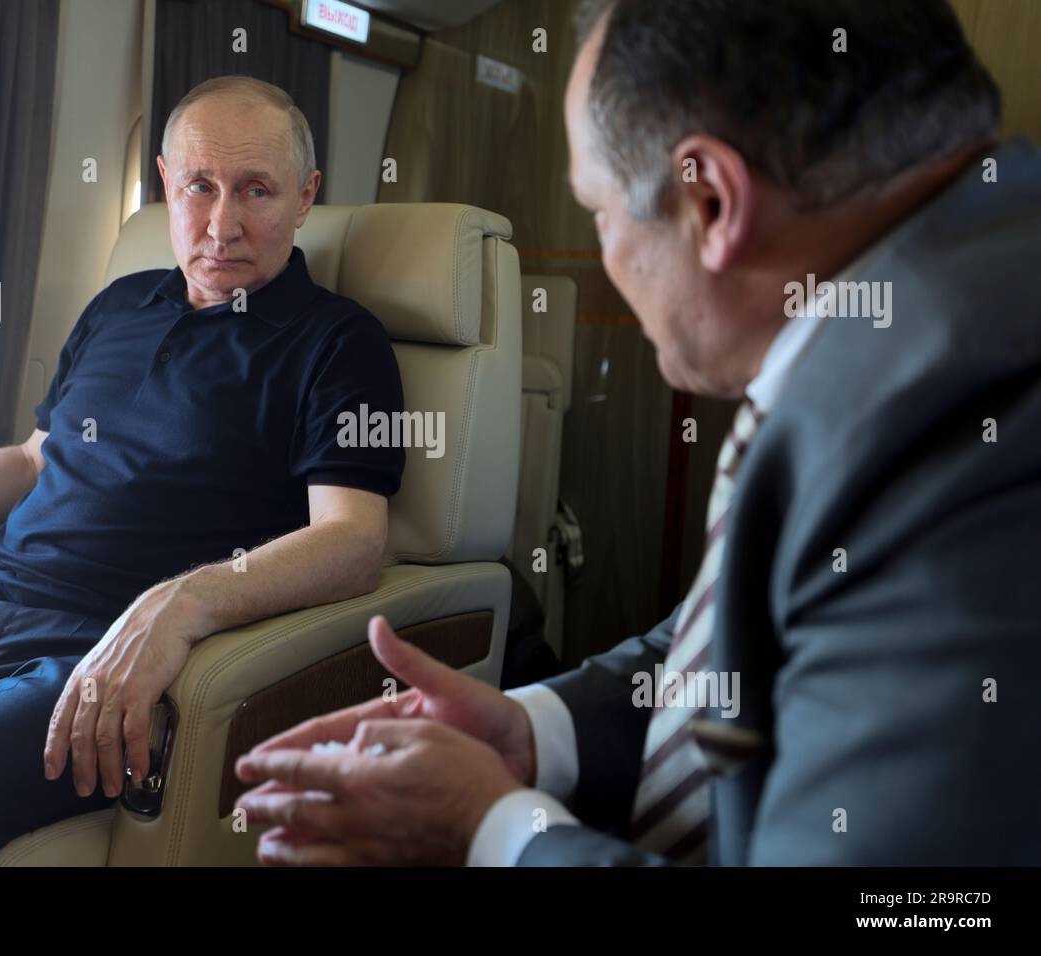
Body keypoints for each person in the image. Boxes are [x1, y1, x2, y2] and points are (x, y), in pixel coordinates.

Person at [234, 0, 1041, 865]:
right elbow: (724, 644)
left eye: (601, 213)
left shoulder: (955, 436)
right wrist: (532, 730)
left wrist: (493, 832)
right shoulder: (920, 322)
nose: (608, 262)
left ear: (711, 201)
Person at [0, 76, 405, 865]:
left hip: (94, 660)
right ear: (166, 183)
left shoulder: (339, 343)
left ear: (305, 198)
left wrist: (181, 602)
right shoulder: (122, 304)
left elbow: (353, 540)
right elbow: (36, 460)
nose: (222, 223)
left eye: (256, 190)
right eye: (200, 185)